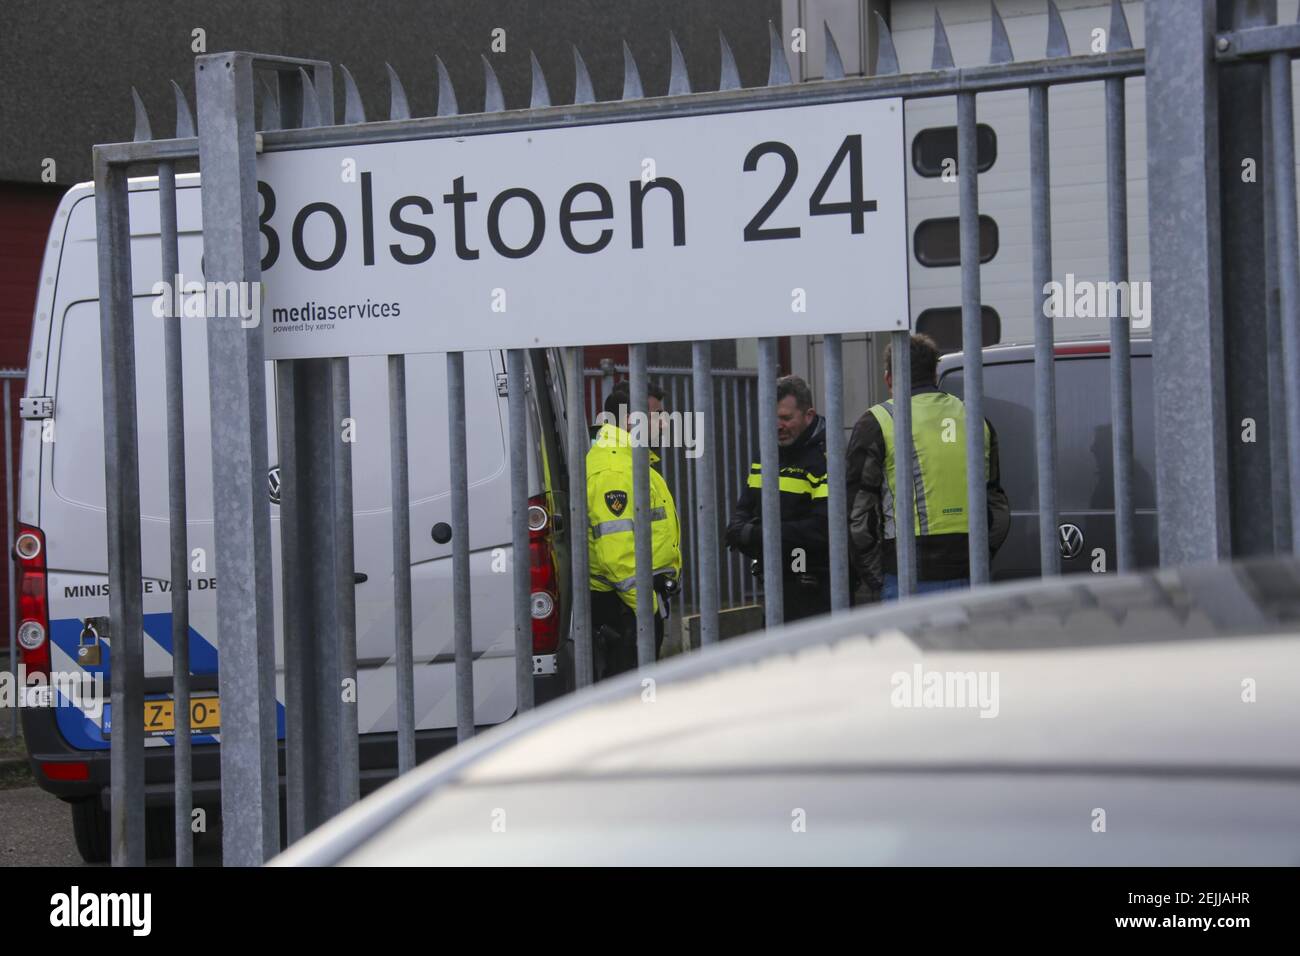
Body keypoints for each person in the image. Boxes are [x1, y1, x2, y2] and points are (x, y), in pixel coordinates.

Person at [847, 333, 1010, 602]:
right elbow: (998, 510)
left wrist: (877, 576)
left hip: (905, 576)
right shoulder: (975, 418)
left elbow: (856, 514)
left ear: (889, 378)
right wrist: (980, 557)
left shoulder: (877, 422)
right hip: (971, 572)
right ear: (934, 374)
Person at [586, 381, 682, 679]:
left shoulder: (629, 459)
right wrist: (647, 606)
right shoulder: (615, 469)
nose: (664, 423)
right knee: (628, 702)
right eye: (657, 414)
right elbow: (618, 555)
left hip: (630, 605)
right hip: (624, 608)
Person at [724, 375, 831, 622]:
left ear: (809, 415)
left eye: (785, 418)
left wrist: (757, 535)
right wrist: (740, 529)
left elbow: (822, 529)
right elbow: (746, 506)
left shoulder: (825, 459)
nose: (777, 425)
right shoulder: (767, 455)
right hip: (775, 584)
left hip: (815, 588)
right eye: (772, 418)